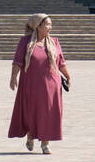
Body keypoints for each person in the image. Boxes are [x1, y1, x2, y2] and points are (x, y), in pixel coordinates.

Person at [8, 13, 70, 154]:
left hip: (51, 84)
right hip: (31, 83)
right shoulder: (25, 42)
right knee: (32, 111)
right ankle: (30, 134)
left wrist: (68, 76)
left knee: (49, 112)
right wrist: (13, 77)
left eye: (50, 24)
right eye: (47, 24)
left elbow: (61, 62)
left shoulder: (54, 41)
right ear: (38, 26)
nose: (50, 27)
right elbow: (18, 61)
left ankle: (45, 143)